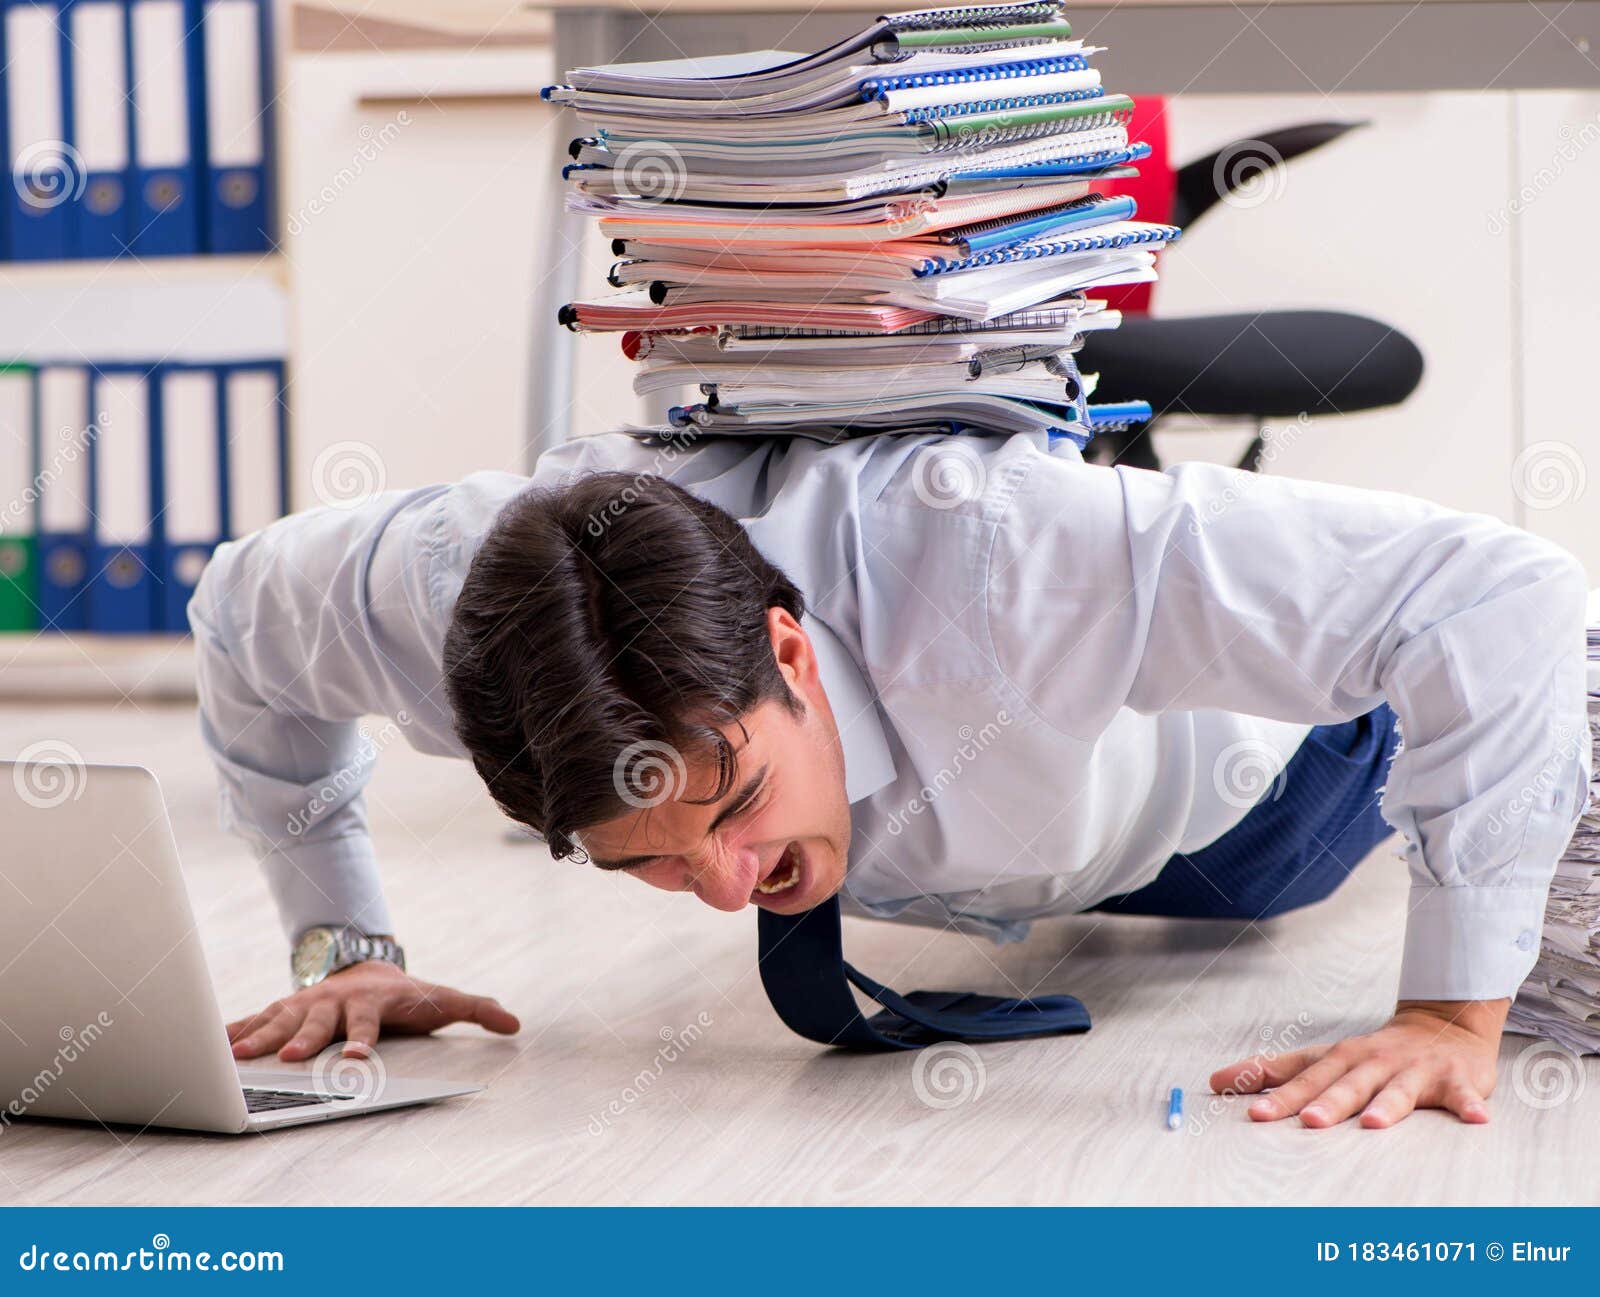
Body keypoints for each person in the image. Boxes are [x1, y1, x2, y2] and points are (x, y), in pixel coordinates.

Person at [198, 430, 1591, 1130]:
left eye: (734, 807)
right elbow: (236, 621)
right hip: (1028, 825)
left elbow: (1495, 596)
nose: (720, 893)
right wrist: (348, 943)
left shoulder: (1016, 556)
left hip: (1264, 808)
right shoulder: (442, 608)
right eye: (647, 859)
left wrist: (1449, 1011)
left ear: (790, 650)